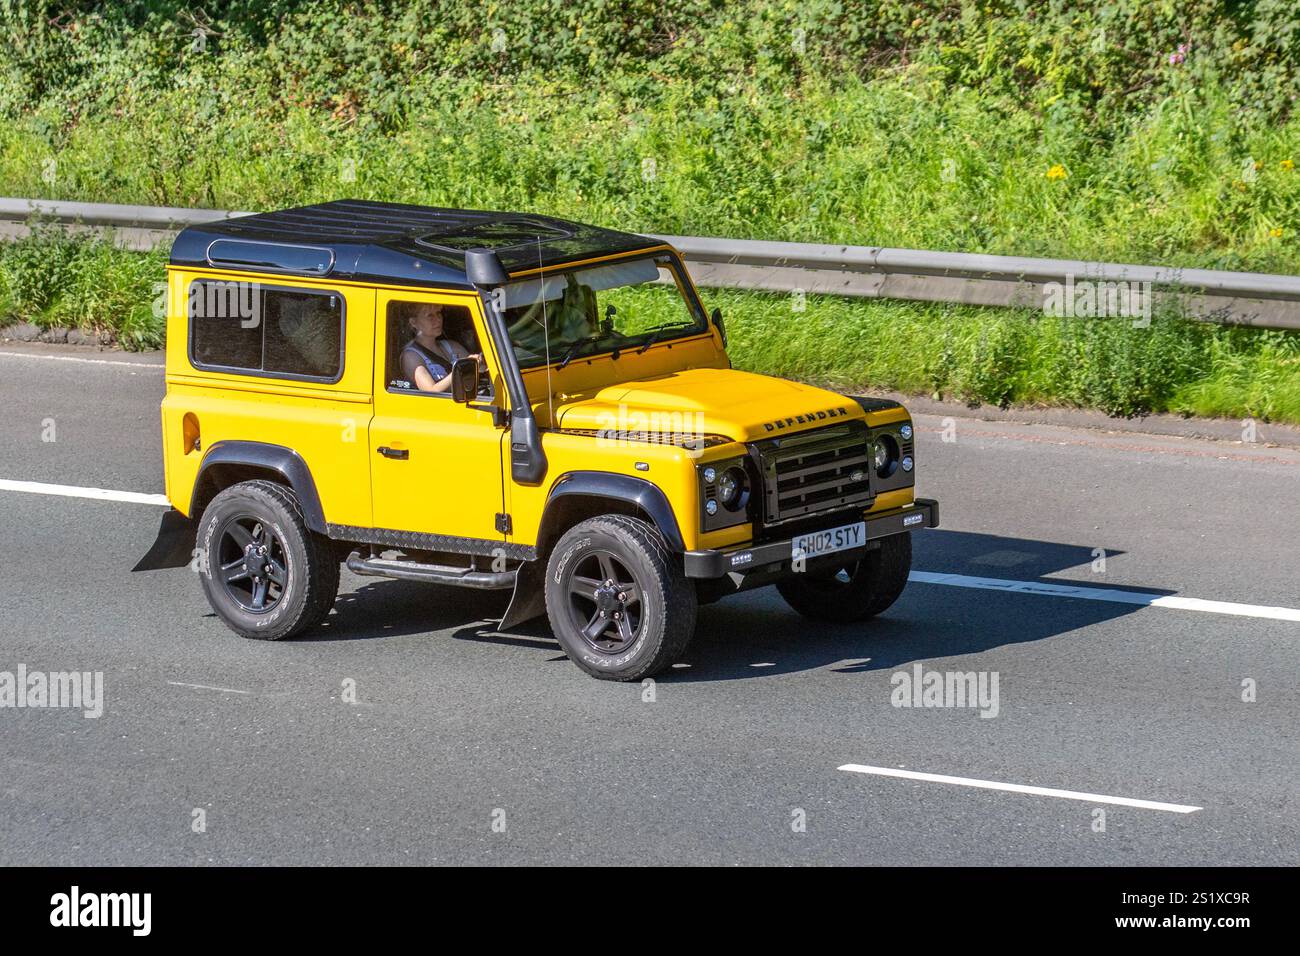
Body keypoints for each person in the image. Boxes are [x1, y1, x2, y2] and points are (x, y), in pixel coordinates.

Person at [399, 302, 480, 393]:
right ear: (413, 322)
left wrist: (480, 362)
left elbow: (480, 369)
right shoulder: (411, 356)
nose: (438, 319)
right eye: (430, 316)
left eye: (438, 313)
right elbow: (430, 392)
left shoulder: (451, 346)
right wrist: (461, 369)